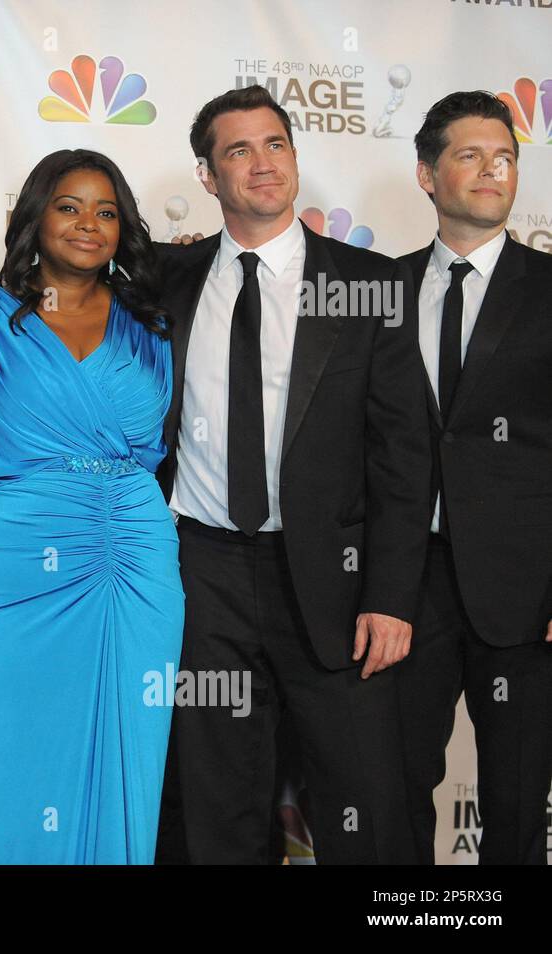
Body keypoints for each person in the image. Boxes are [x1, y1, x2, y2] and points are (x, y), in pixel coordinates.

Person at [153, 85, 430, 864]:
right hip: (202, 573)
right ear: (208, 176)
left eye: (275, 144)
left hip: (335, 581)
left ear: (297, 159)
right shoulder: (166, 284)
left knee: (363, 800)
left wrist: (389, 594)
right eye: (238, 150)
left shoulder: (369, 283)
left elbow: (405, 456)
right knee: (216, 800)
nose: (262, 163)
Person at [0, 149, 182, 864]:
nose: (89, 224)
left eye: (107, 212)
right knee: (16, 767)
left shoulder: (151, 326)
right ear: (33, 217)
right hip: (14, 570)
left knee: (128, 769)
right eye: (69, 206)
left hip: (134, 567)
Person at [397, 90, 552, 865]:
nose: (493, 170)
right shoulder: (375, 292)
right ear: (427, 174)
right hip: (401, 588)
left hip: (526, 591)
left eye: (506, 158)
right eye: (470, 155)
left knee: (518, 803)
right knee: (393, 794)